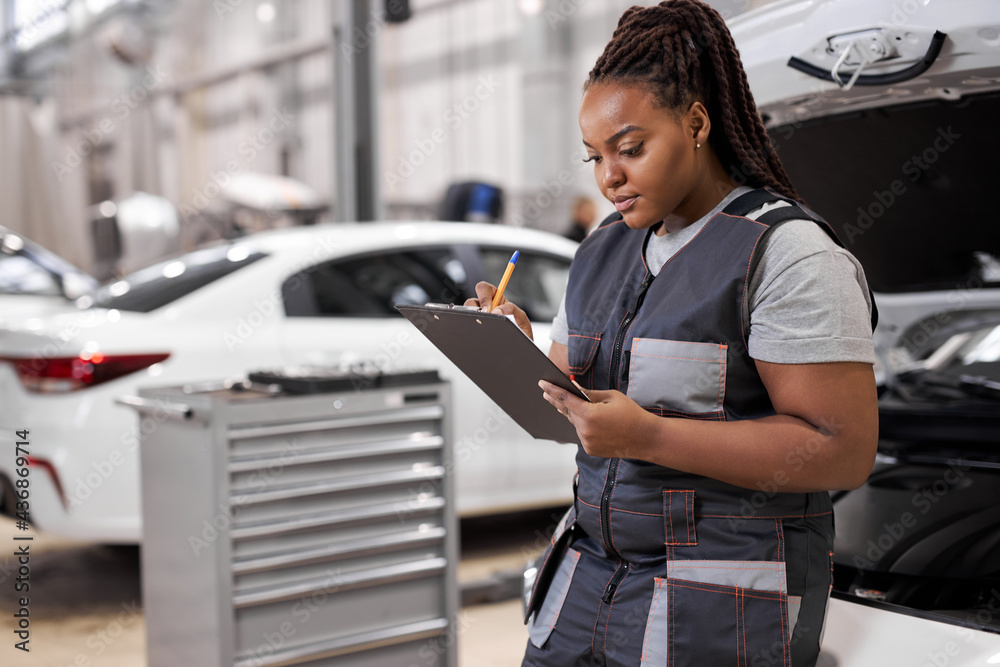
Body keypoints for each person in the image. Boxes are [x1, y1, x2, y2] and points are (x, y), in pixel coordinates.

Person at [466, 2, 879, 666]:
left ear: (695, 123)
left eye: (630, 148)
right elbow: (575, 396)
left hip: (715, 600)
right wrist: (513, 344)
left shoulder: (788, 254)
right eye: (595, 156)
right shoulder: (600, 251)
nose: (609, 177)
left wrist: (650, 436)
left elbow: (840, 450)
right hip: (588, 576)